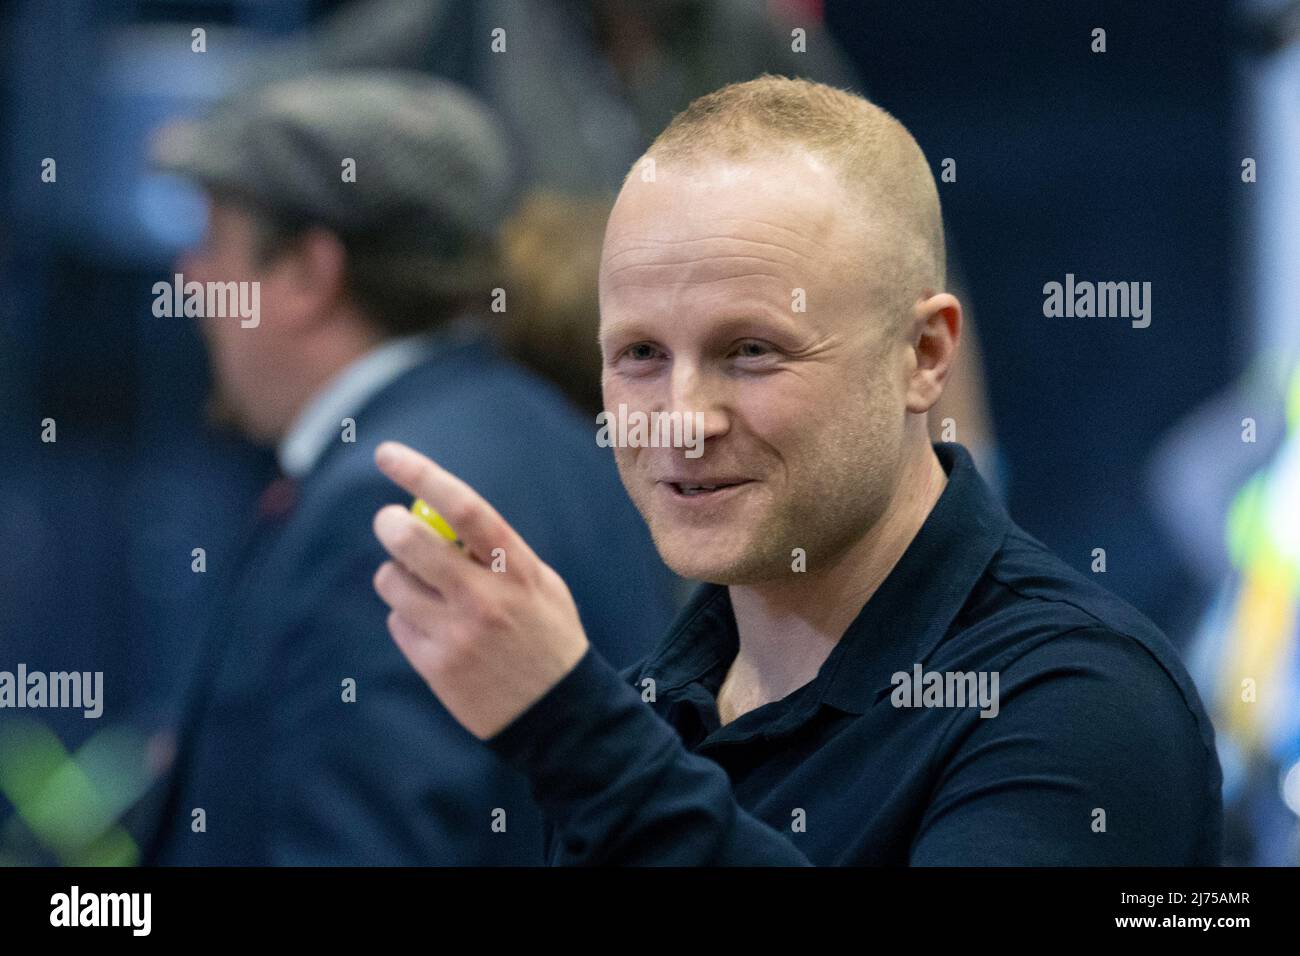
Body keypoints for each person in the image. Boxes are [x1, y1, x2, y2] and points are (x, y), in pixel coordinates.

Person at [369, 75, 1223, 865]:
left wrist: (573, 733)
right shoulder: (652, 707)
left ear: (924, 355)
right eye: (639, 353)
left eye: (750, 351)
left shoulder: (1082, 703)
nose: (683, 418)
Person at [132, 71, 677, 864]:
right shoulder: (548, 434)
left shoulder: (388, 509)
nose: (188, 278)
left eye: (214, 241)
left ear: (309, 274)